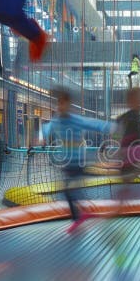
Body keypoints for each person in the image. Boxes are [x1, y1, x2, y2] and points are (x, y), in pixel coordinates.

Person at [42, 86, 114, 231]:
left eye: (64, 103)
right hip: (67, 162)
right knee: (68, 189)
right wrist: (40, 138)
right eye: (59, 103)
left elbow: (92, 123)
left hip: (78, 161)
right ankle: (82, 212)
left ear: (68, 105)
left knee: (68, 189)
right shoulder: (56, 121)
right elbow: (46, 128)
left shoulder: (75, 120)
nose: (61, 106)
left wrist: (110, 127)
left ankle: (79, 216)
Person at [115, 88, 140, 200]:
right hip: (129, 147)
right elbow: (119, 122)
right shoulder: (130, 115)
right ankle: (125, 189)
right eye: (137, 99)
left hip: (133, 146)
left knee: (128, 170)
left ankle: (128, 183)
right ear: (130, 101)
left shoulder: (134, 114)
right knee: (127, 172)